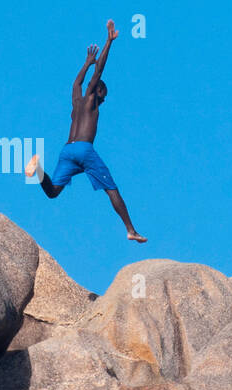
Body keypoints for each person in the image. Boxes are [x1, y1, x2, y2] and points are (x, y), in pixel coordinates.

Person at [26, 19, 147, 242]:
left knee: (53, 191)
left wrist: (85, 62)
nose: (104, 99)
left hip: (67, 150)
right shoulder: (91, 97)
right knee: (111, 188)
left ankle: (38, 169)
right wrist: (109, 42)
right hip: (84, 149)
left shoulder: (77, 103)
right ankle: (130, 229)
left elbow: (75, 84)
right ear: (99, 91)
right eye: (104, 94)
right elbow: (98, 73)